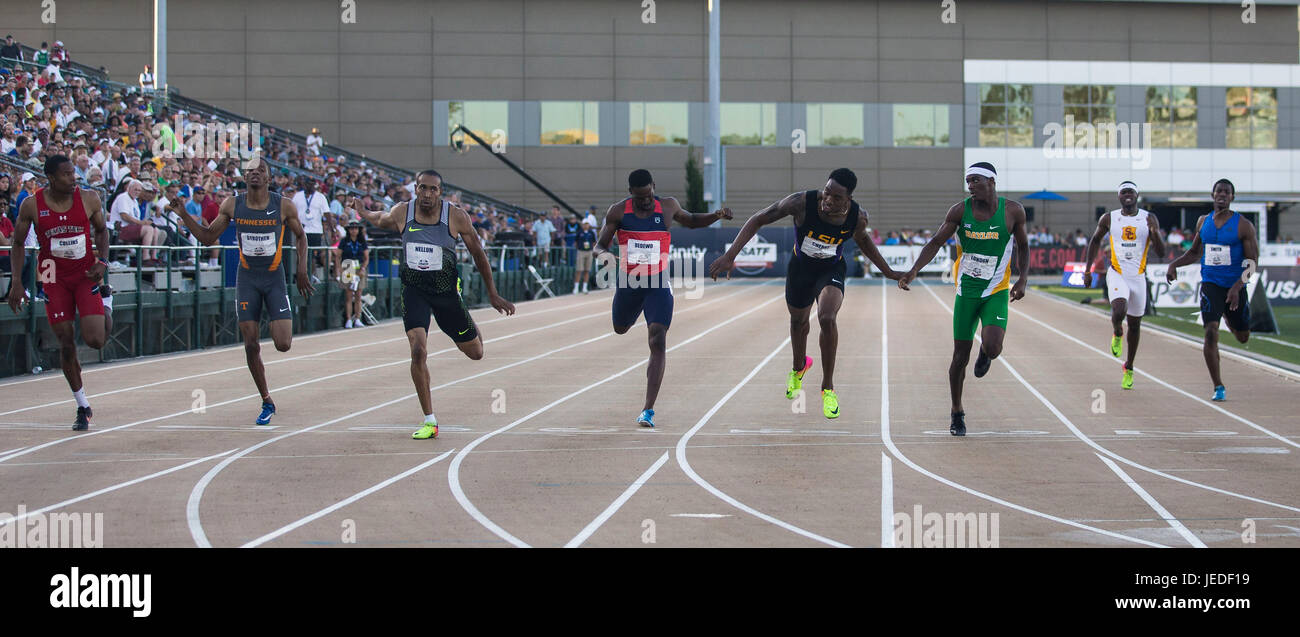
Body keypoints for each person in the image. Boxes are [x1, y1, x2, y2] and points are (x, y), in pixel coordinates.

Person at [708, 168, 900, 419]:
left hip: (830, 269)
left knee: (827, 318)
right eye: (826, 192)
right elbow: (758, 219)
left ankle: (827, 388)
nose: (828, 200)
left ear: (848, 200)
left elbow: (864, 242)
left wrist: (888, 271)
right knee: (798, 322)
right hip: (800, 269)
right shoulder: (801, 203)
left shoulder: (857, 217)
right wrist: (730, 256)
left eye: (836, 197)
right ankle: (798, 368)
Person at [355, 169, 515, 440]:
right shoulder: (402, 212)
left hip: (446, 295)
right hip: (414, 291)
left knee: (476, 353)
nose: (427, 194)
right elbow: (378, 218)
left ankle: (465, 319)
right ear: (415, 189)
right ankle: (430, 419)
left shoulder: (455, 216)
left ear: (440, 191)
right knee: (418, 351)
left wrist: (492, 293)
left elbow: (478, 252)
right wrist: (362, 211)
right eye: (422, 188)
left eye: (433, 189)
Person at [172, 154, 314, 425]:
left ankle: (272, 319)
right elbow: (207, 237)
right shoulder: (232, 204)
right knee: (250, 344)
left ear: (269, 177)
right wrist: (183, 214)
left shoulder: (283, 206)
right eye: (251, 170)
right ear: (244, 177)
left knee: (283, 344)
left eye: (261, 170)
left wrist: (301, 269)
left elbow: (301, 236)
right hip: (247, 278)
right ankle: (266, 399)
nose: (256, 173)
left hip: (274, 278)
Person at [897, 162, 1029, 436]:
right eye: (967, 181)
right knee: (959, 357)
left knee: (993, 348)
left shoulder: (1012, 211)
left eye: (975, 181)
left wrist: (1023, 279)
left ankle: (987, 353)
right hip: (966, 292)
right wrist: (913, 271)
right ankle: (957, 411)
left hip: (996, 289)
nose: (970, 186)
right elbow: (935, 242)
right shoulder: (959, 211)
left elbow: (1024, 245)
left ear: (991, 182)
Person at [593, 169, 732, 428]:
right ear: (630, 193)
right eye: (640, 197)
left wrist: (716, 215)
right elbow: (598, 245)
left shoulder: (668, 206)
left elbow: (691, 220)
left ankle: (648, 410)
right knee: (620, 328)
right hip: (629, 281)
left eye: (648, 195)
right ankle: (631, 314)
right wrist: (605, 256)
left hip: (658, 281)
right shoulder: (618, 211)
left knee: (657, 339)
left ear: (654, 187)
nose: (645, 201)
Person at [6, 155, 110, 430]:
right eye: (66, 174)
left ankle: (106, 301)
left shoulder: (89, 198)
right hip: (52, 273)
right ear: (51, 178)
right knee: (65, 342)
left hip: (85, 271)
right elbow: (17, 243)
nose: (73, 177)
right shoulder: (32, 205)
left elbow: (102, 231)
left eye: (73, 172)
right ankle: (82, 405)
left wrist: (103, 261)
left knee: (96, 340)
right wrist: (17, 282)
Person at [1163, 178, 1257, 402]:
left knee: (1242, 336)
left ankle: (1228, 315)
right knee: (1210, 332)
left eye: (1227, 192)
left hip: (1234, 285)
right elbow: (1195, 252)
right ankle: (1219, 386)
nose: (1222, 195)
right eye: (1219, 191)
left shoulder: (1243, 225)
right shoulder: (1203, 222)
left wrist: (1237, 287)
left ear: (1232, 197)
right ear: (1213, 195)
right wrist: (1174, 264)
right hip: (1210, 285)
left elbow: (1252, 262)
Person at [1083, 181, 1165, 389]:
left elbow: (1162, 252)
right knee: (1119, 309)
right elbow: (1094, 241)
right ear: (1119, 196)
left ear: (1137, 195)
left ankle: (1129, 367)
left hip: (1138, 276)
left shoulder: (1148, 218)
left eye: (1131, 192)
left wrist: (1154, 233)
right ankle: (1118, 331)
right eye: (1124, 192)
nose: (1127, 195)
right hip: (1117, 272)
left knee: (1136, 326)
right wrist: (1087, 269)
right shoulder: (1109, 218)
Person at [334, 220, 369, 328]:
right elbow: (338, 256)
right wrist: (339, 269)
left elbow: (366, 258)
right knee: (348, 295)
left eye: (356, 228)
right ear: (348, 230)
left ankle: (357, 318)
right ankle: (348, 319)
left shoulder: (362, 241)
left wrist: (363, 268)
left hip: (359, 268)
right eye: (351, 228)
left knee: (358, 295)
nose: (354, 230)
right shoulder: (344, 241)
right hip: (348, 267)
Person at [572, 217, 596, 294]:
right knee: (579, 270)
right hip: (581, 251)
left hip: (589, 252)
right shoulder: (579, 232)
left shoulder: (591, 233)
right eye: (585, 224)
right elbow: (575, 242)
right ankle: (576, 288)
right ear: (582, 225)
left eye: (587, 224)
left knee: (587, 270)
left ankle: (584, 288)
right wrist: (579, 248)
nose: (586, 225)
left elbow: (594, 242)